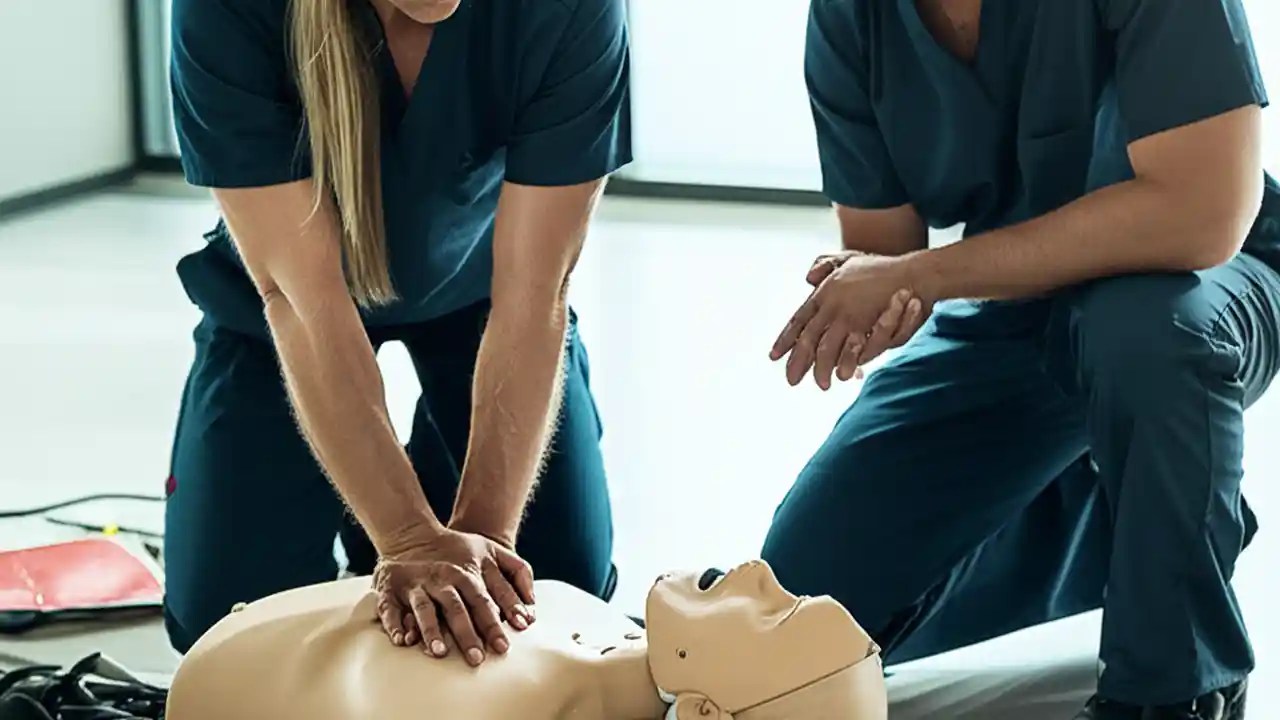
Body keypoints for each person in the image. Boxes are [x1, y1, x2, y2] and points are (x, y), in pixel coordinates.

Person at [761, 1, 1279, 719]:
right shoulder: (853, 15)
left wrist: (924, 276)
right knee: (797, 613)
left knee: (1143, 338)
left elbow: (1204, 212)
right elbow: (887, 249)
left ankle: (1175, 689)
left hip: (1191, 278)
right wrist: (865, 296)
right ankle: (1139, 506)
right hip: (1010, 300)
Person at [162, 0, 630, 665]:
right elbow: (302, 300)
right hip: (282, 311)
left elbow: (535, 293)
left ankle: (410, 478)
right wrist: (406, 536)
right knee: (228, 628)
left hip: (478, 293)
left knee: (559, 583)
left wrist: (484, 545)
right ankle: (368, 492)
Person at [165, 560, 887, 720]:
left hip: (219, 681)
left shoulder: (487, 705)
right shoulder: (598, 623)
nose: (760, 572)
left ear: (702, 711)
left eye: (776, 614)